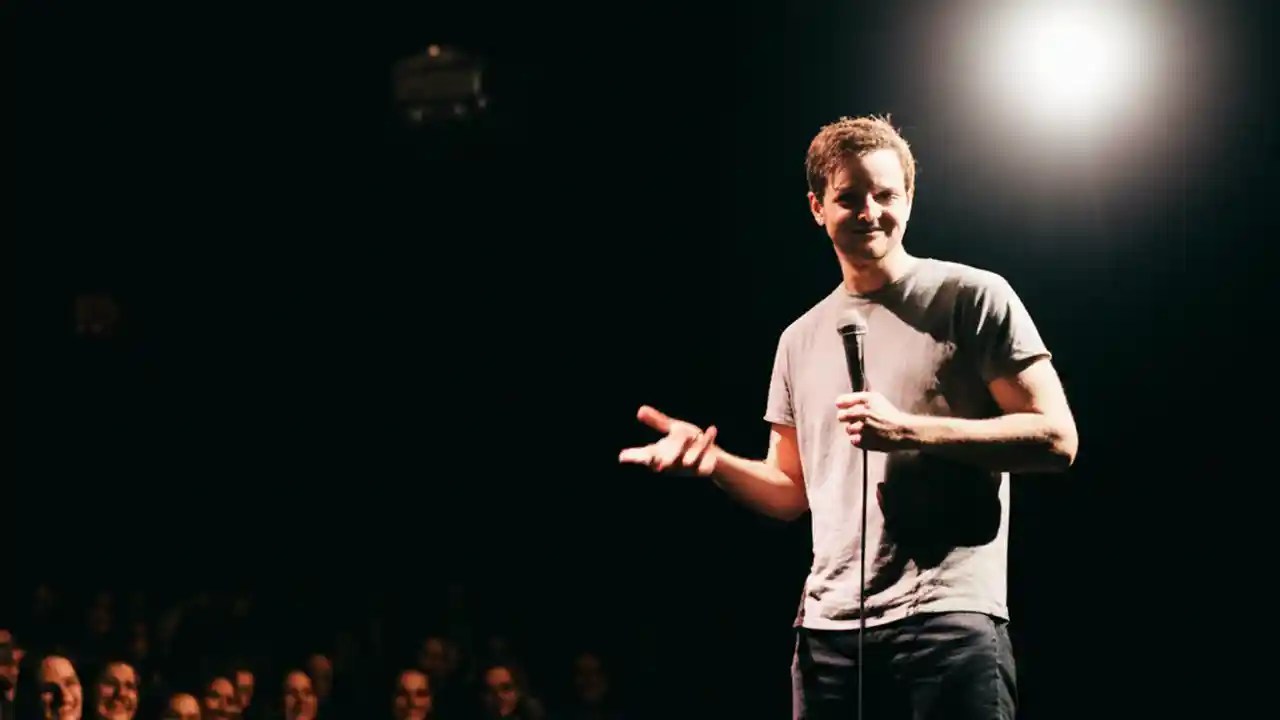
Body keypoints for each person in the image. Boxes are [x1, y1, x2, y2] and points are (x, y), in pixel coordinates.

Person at [618, 114, 1078, 719]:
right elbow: (789, 493)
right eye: (849, 197)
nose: (870, 212)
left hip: (947, 618)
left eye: (886, 195)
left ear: (909, 199)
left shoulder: (973, 297)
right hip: (830, 634)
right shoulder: (798, 340)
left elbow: (1056, 439)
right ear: (817, 207)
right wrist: (714, 465)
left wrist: (911, 430)